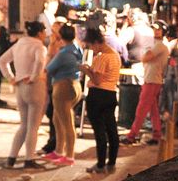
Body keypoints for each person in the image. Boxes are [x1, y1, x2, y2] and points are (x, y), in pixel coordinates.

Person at [0, 21, 48, 169]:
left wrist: (10, 77)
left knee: (24, 124)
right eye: (44, 32)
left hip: (20, 85)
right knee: (33, 125)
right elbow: (39, 62)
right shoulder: (39, 46)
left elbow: (2, 61)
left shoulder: (19, 44)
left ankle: (11, 158)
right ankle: (29, 158)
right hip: (34, 86)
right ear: (39, 33)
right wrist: (33, 77)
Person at [79, 28, 122, 172]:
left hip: (97, 95)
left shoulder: (102, 57)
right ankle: (112, 163)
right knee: (111, 130)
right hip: (110, 94)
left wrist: (86, 70)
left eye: (91, 46)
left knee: (99, 131)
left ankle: (100, 164)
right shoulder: (115, 55)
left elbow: (97, 80)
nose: (91, 49)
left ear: (96, 43)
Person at [43, 24, 83, 166]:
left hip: (63, 87)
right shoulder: (76, 48)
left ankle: (69, 155)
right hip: (75, 84)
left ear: (60, 36)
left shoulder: (63, 53)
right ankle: (59, 151)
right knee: (57, 119)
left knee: (66, 122)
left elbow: (48, 69)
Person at [122, 21, 168, 145]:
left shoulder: (159, 46)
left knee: (141, 110)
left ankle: (132, 136)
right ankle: (157, 135)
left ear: (164, 31)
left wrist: (145, 53)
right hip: (151, 80)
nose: (156, 31)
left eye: (158, 29)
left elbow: (144, 58)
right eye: (154, 29)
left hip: (152, 81)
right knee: (153, 110)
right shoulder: (155, 45)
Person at [37, 0, 60, 154]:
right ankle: (53, 143)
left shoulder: (60, 46)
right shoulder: (42, 18)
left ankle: (55, 144)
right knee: (51, 111)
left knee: (54, 112)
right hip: (51, 81)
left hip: (57, 82)